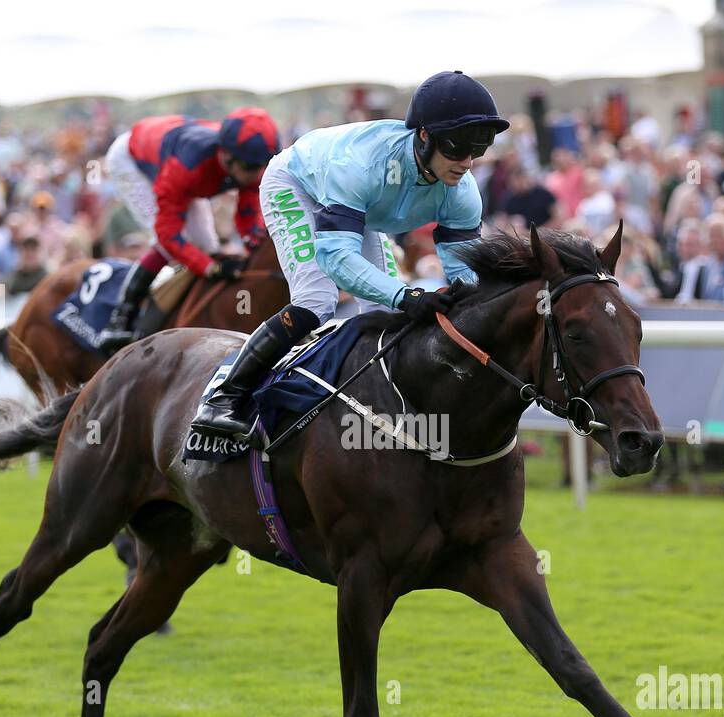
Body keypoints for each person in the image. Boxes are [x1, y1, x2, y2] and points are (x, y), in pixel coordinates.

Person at [191, 70, 507, 440]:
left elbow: (463, 276)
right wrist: (409, 295)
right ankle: (224, 396)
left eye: (478, 148)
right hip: (297, 183)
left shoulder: (463, 192)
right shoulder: (363, 165)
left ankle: (373, 408)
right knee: (317, 299)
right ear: (424, 136)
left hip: (363, 206)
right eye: (457, 147)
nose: (467, 161)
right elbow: (337, 259)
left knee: (383, 313)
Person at [97, 108, 281, 352]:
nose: (258, 175)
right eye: (251, 167)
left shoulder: (245, 162)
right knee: (174, 245)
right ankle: (121, 318)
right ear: (227, 156)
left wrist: (251, 246)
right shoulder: (187, 167)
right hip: (132, 160)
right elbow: (168, 234)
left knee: (209, 246)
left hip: (174, 151)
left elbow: (247, 214)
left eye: (263, 165)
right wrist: (210, 267)